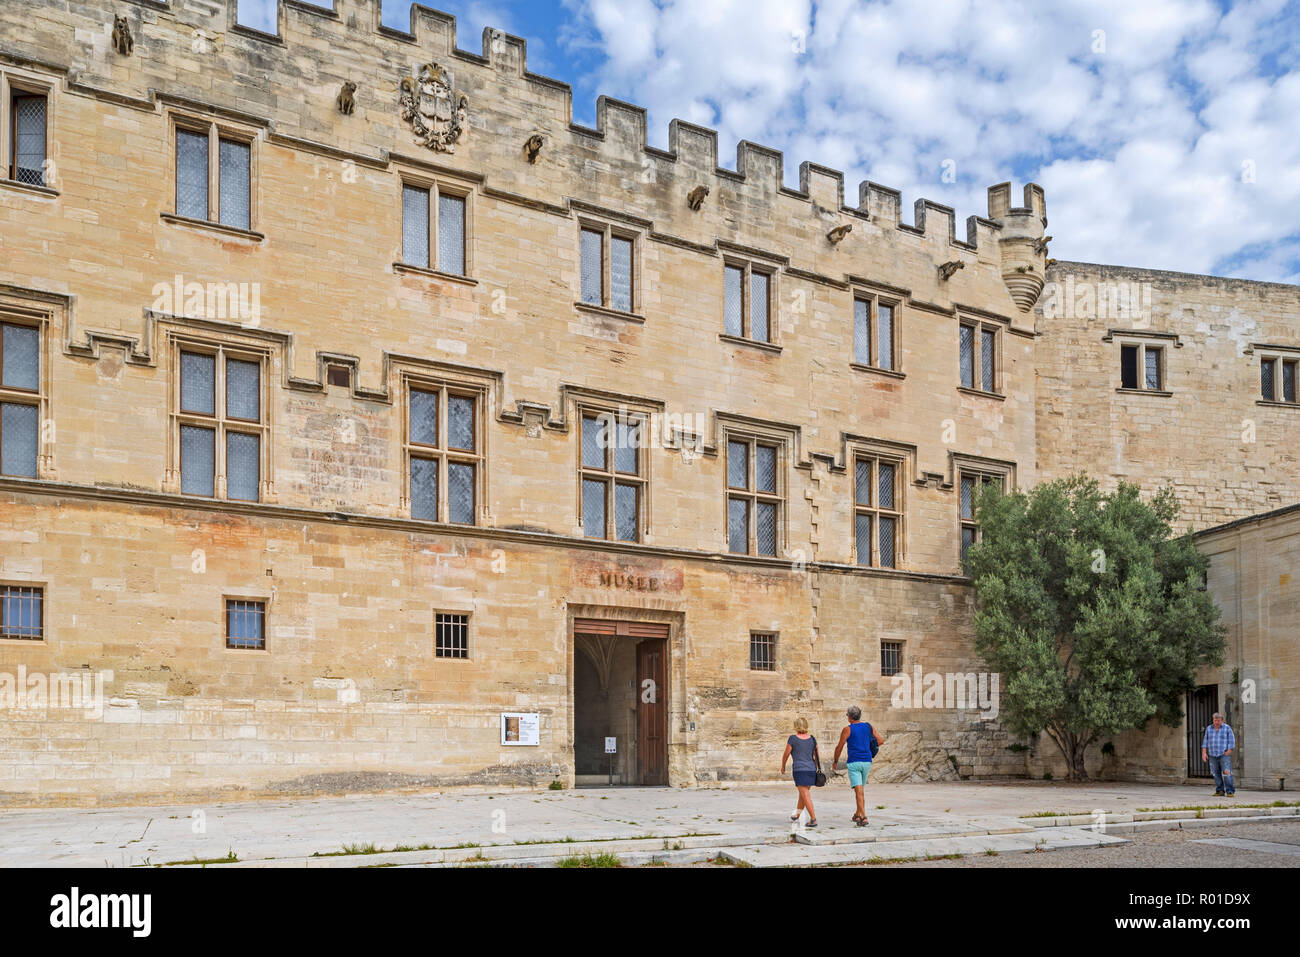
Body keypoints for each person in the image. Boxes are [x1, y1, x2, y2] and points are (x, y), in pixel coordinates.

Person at [832, 705, 885, 826]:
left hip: (854, 762)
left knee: (859, 792)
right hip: (867, 761)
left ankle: (864, 817)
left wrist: (835, 761)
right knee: (860, 790)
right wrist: (867, 747)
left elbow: (839, 747)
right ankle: (857, 813)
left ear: (849, 717)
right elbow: (880, 741)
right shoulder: (868, 726)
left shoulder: (847, 729)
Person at [780, 717, 820, 827]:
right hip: (811, 769)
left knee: (805, 794)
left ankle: (813, 819)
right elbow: (816, 755)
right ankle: (797, 814)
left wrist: (783, 766)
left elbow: (786, 754)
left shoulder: (792, 739)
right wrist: (816, 766)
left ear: (796, 726)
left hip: (800, 769)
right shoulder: (812, 739)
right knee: (803, 793)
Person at [1201, 711, 1236, 797]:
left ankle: (1230, 791)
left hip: (1224, 754)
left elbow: (1231, 740)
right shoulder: (1209, 728)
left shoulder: (1227, 728)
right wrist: (1204, 753)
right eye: (1215, 720)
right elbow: (1205, 741)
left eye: (1218, 720)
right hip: (1212, 755)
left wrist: (1229, 749)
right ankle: (1220, 790)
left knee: (1227, 772)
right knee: (1215, 773)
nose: (1216, 722)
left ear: (1222, 720)